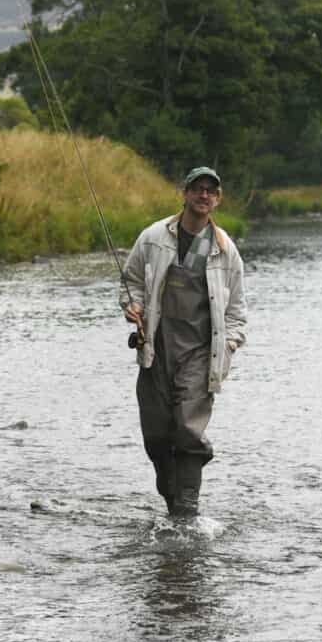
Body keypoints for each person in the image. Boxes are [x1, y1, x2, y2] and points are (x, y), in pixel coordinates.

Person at [122, 166, 247, 517]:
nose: (203, 195)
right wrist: (133, 306)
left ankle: (188, 506)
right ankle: (172, 499)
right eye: (197, 188)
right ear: (185, 193)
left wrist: (229, 346)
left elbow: (237, 312)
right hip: (156, 350)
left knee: (188, 430)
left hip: (200, 356)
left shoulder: (226, 250)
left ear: (217, 199)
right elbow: (131, 281)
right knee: (157, 436)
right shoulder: (153, 237)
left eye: (211, 190)